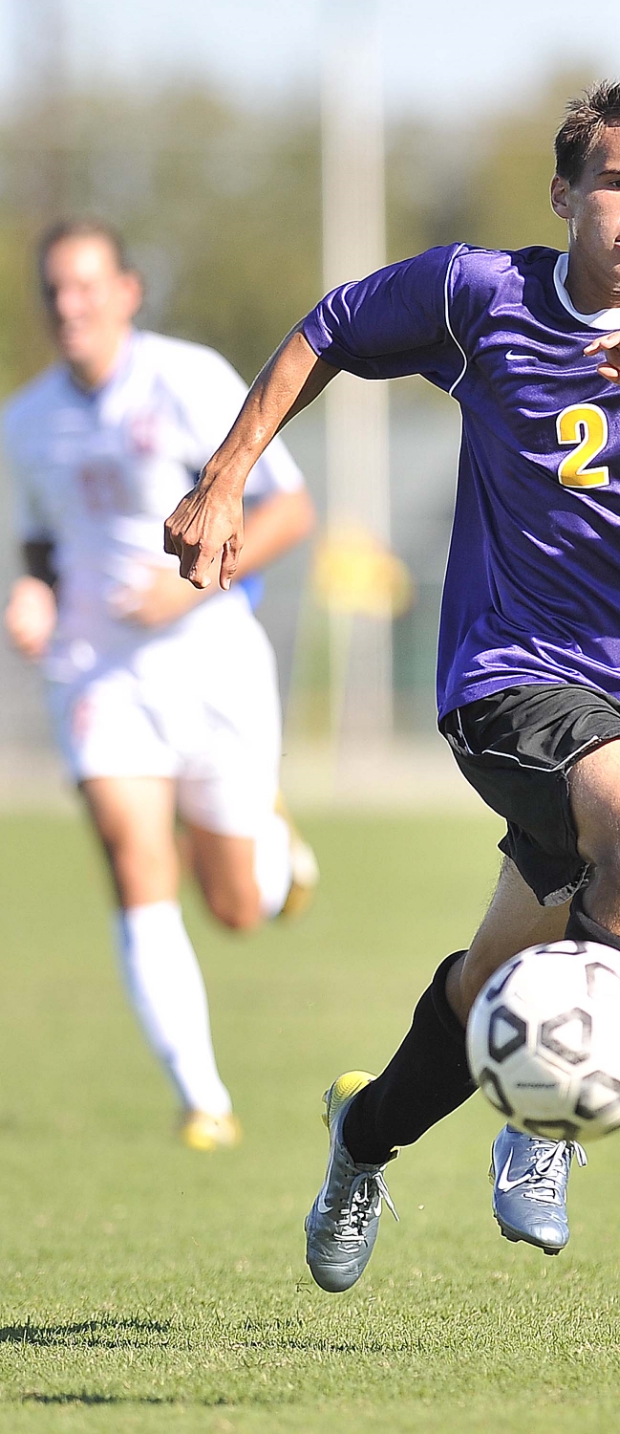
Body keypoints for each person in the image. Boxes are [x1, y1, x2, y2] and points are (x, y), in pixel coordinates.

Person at [164, 77, 620, 1282]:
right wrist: (228, 473)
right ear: (565, 193)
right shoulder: (479, 296)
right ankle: (544, 1134)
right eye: (617, 183)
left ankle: (361, 1141)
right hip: (512, 677)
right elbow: (332, 323)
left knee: (493, 987)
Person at [3, 220, 318, 1151]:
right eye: (56, 290)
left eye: (88, 286)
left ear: (128, 292)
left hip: (211, 662)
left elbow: (290, 509)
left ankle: (272, 855)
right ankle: (203, 1097)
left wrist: (189, 592)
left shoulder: (189, 380)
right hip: (96, 675)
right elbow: (38, 556)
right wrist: (30, 598)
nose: (71, 306)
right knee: (135, 864)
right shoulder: (25, 422)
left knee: (234, 908)